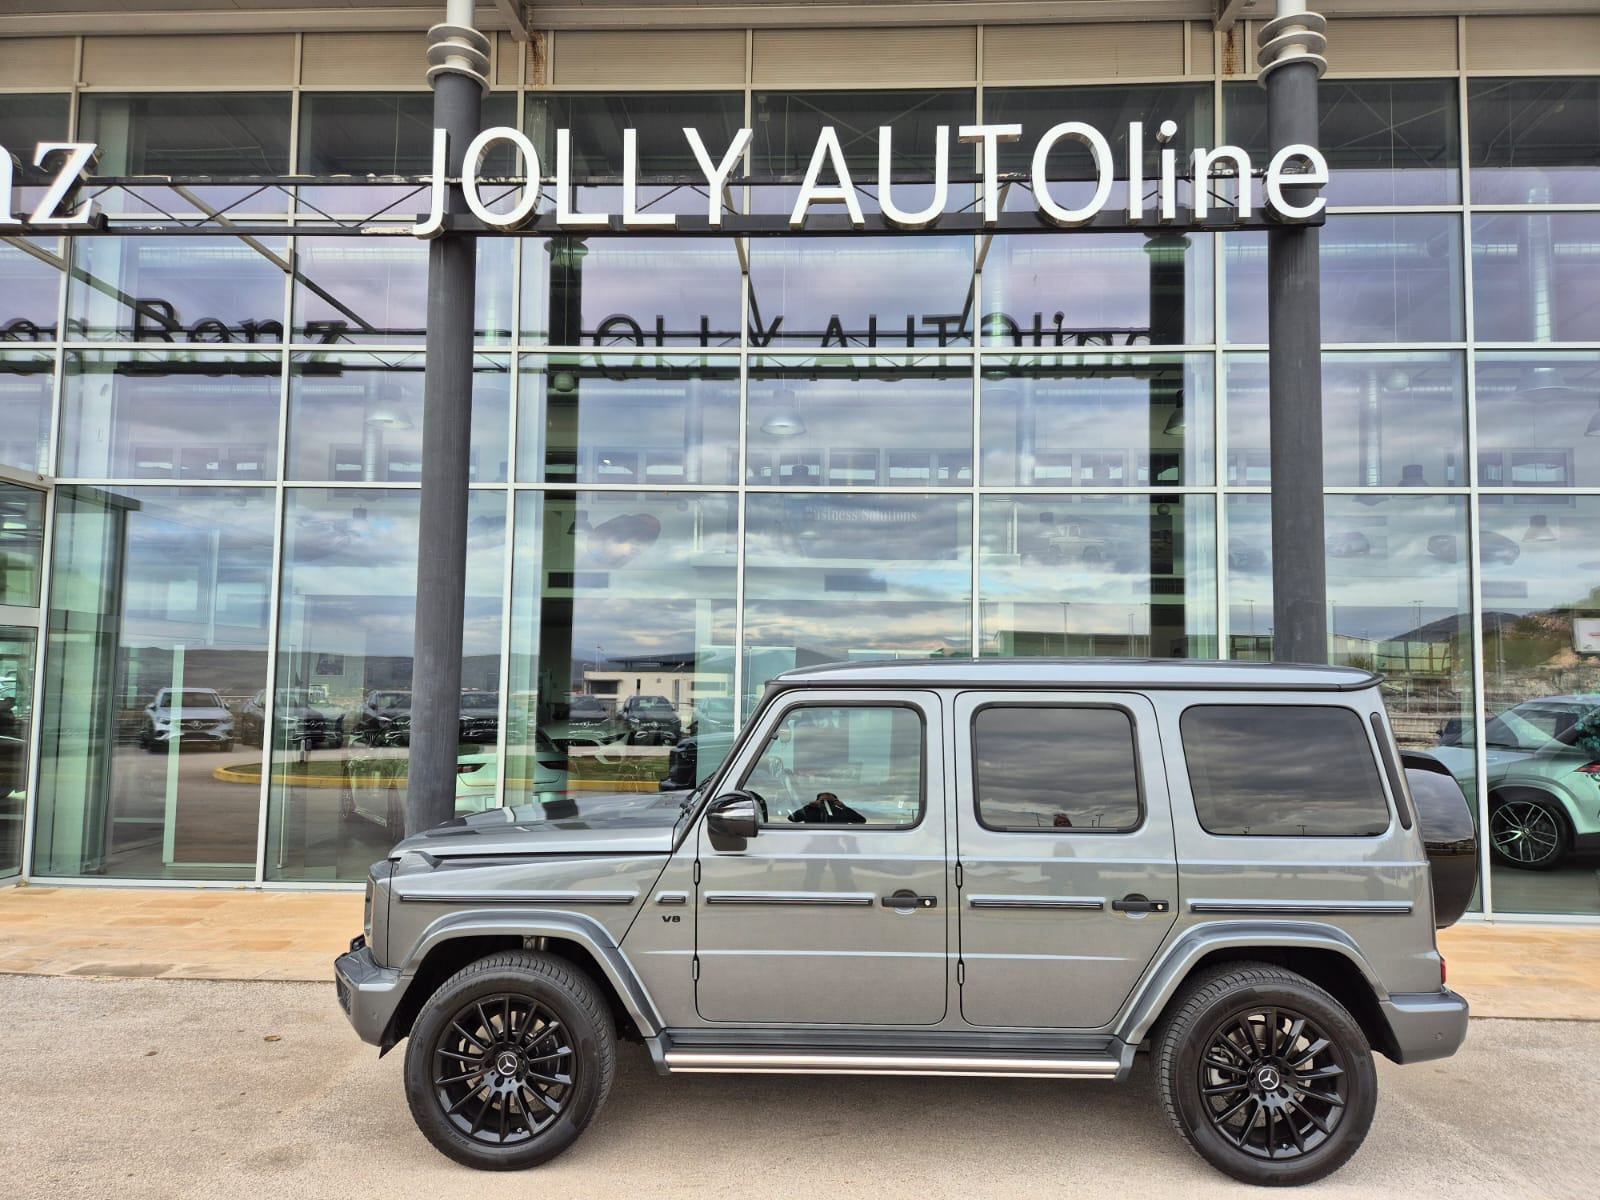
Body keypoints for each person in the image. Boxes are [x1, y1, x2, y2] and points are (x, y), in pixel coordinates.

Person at [787, 790, 866, 825]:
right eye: (823, 801)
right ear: (817, 801)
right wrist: (809, 807)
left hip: (836, 841)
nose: (826, 803)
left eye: (830, 801)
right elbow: (792, 818)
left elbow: (861, 821)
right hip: (813, 842)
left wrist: (844, 808)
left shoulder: (842, 812)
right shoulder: (810, 811)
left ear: (836, 802)